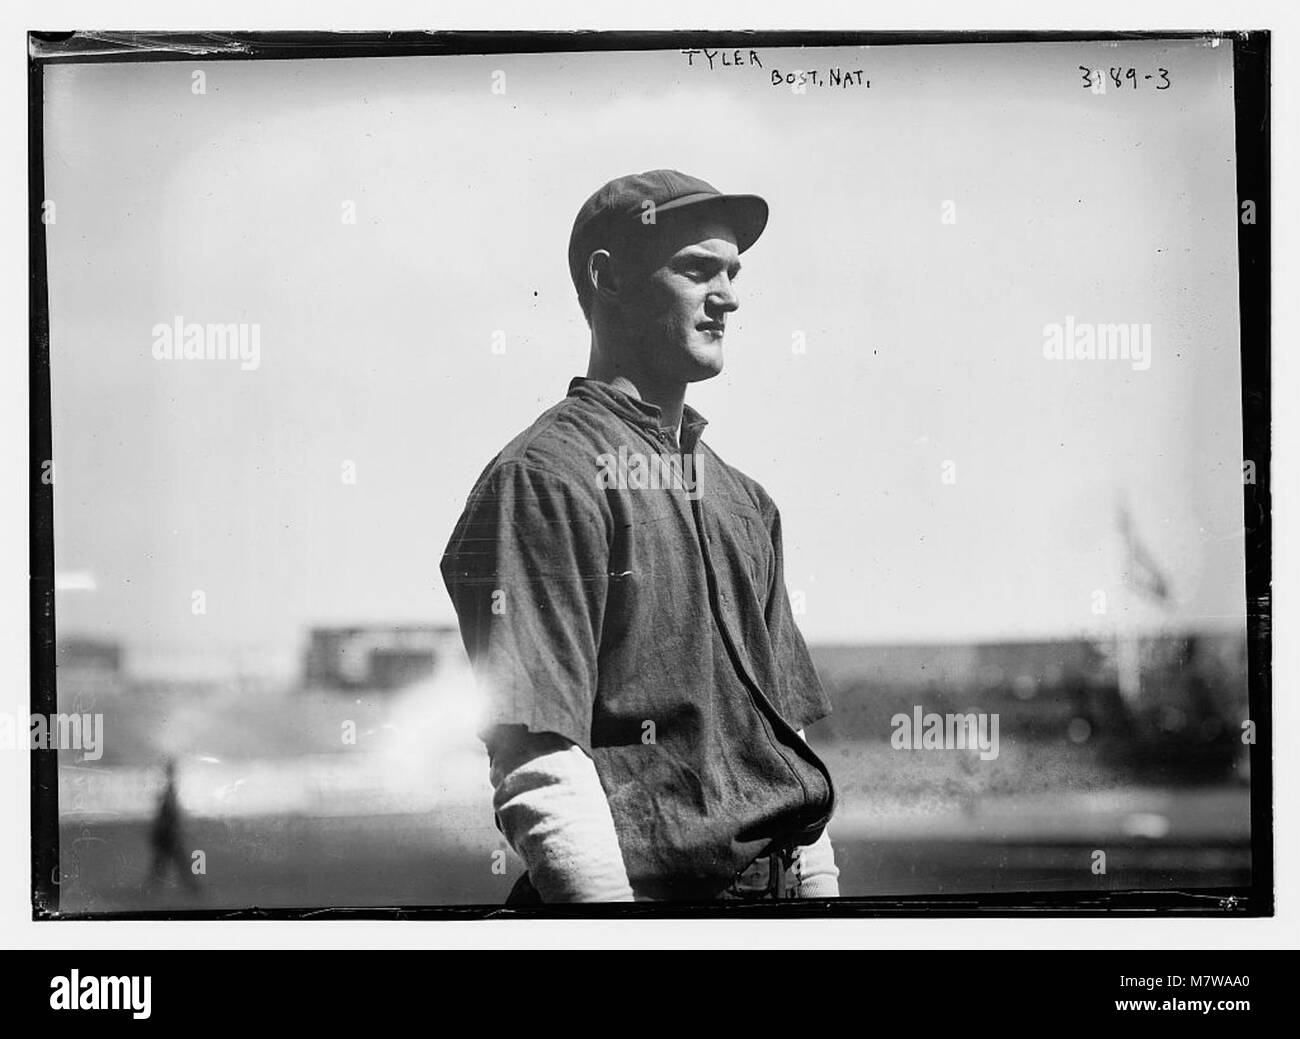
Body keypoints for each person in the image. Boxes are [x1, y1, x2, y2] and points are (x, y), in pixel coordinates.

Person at [440, 169, 839, 903]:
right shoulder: (545, 479)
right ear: (609, 278)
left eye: (733, 273)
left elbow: (787, 751)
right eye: (697, 270)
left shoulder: (746, 502)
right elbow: (539, 756)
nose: (728, 297)